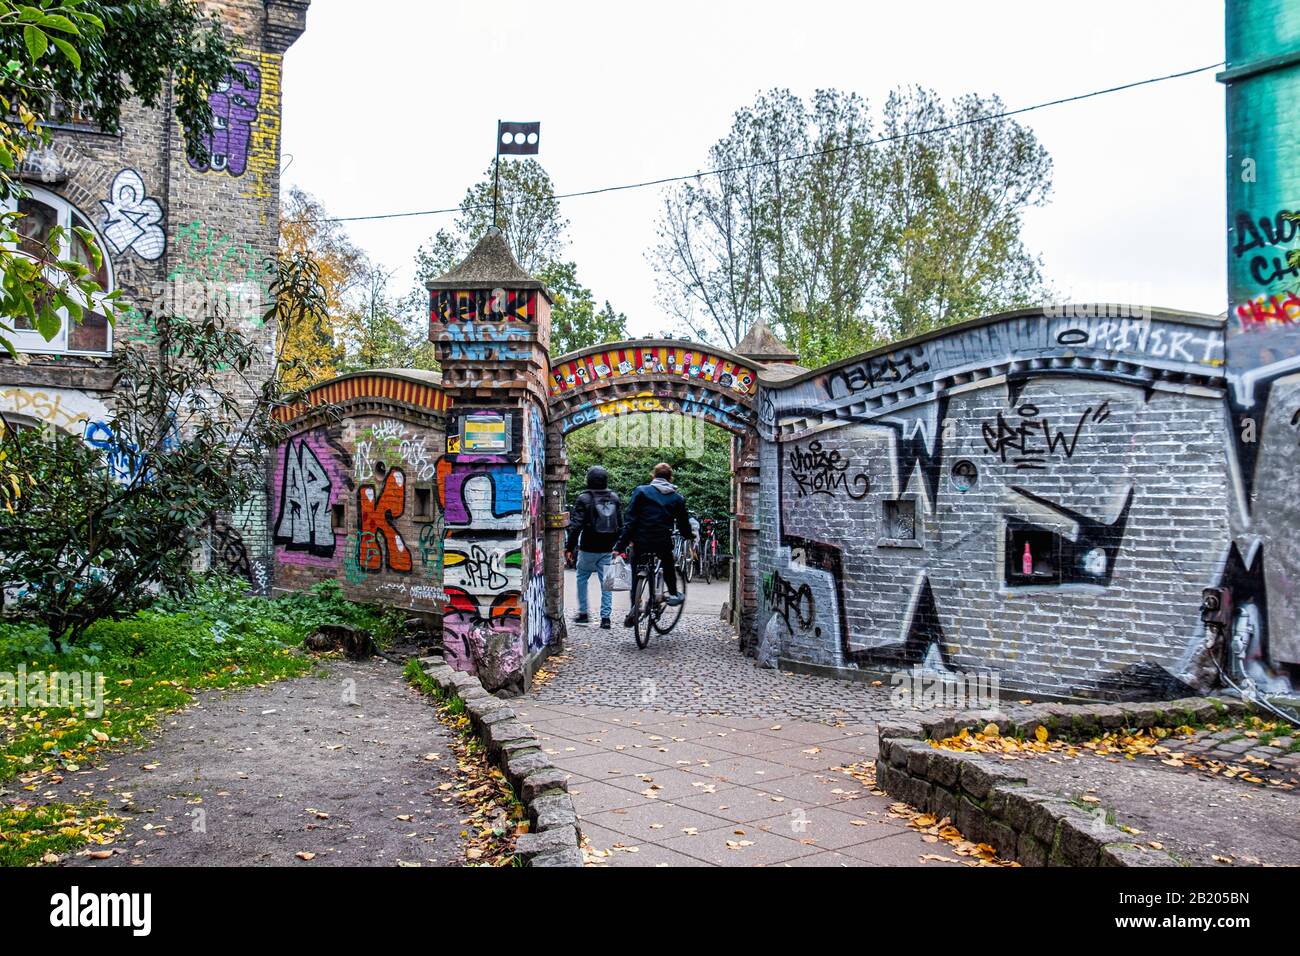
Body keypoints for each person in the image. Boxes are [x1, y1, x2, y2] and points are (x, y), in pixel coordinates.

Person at [613, 462, 694, 627]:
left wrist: (619, 547)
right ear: (670, 478)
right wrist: (689, 536)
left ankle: (634, 606)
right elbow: (684, 524)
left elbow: (630, 521)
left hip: (640, 540)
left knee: (636, 571)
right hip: (662, 541)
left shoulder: (641, 491)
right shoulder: (677, 498)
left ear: (653, 475)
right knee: (668, 562)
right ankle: (672, 593)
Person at [565, 465, 622, 628]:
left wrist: (569, 548)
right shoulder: (614, 497)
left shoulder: (584, 498)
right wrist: (619, 546)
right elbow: (621, 524)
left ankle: (583, 614)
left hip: (588, 547)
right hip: (608, 548)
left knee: (582, 578)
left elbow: (576, 526)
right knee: (607, 583)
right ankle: (605, 619)